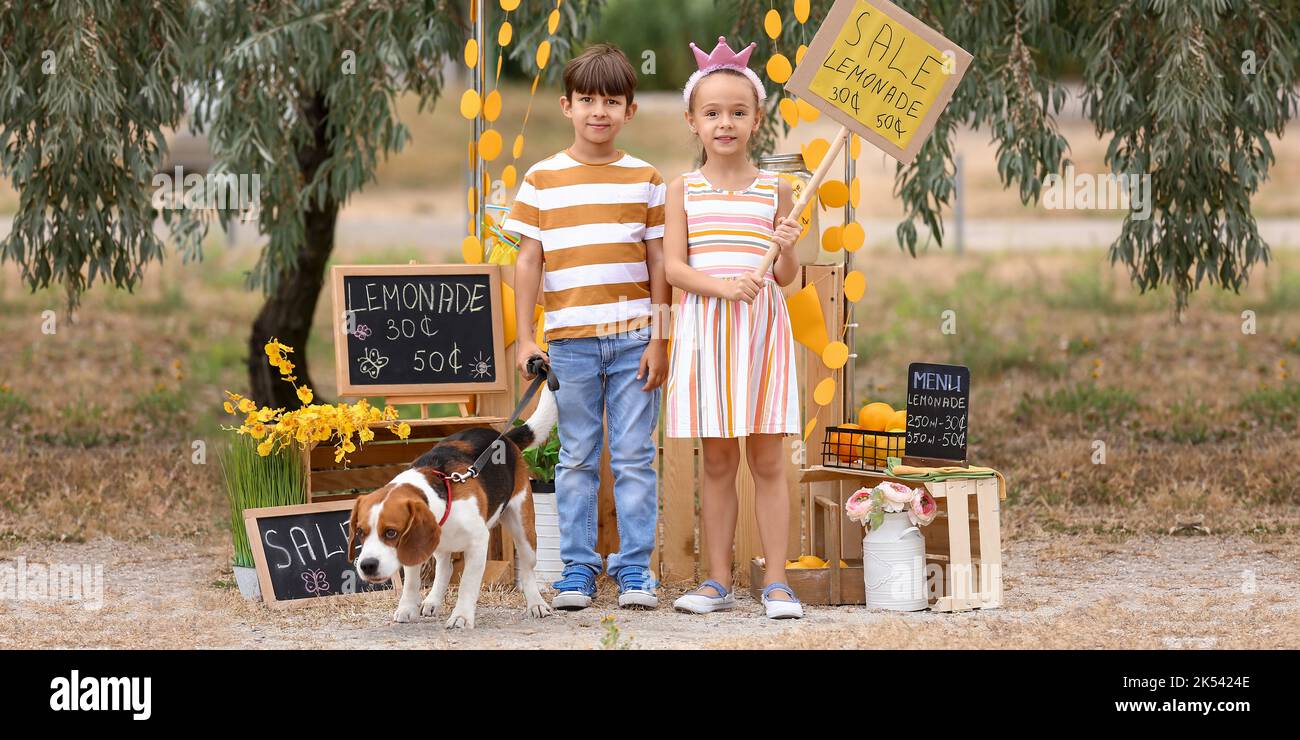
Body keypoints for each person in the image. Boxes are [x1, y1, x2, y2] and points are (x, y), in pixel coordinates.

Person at [504, 43, 670, 611]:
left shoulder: (646, 178)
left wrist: (660, 336)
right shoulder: (542, 178)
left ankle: (635, 572)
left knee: (632, 457)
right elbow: (528, 259)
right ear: (566, 105)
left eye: (612, 101)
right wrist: (528, 336)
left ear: (629, 111)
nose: (599, 111)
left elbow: (657, 263)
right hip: (569, 343)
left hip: (633, 342)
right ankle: (576, 569)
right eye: (588, 100)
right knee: (576, 456)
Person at [662, 37, 804, 619]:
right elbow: (673, 268)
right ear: (693, 121)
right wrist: (724, 287)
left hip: (762, 336)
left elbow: (789, 278)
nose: (726, 122)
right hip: (709, 333)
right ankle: (717, 579)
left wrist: (788, 247)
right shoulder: (683, 190)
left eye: (738, 112)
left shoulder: (778, 190)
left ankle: (776, 581)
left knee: (768, 460)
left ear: (757, 119)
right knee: (717, 462)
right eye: (713, 113)